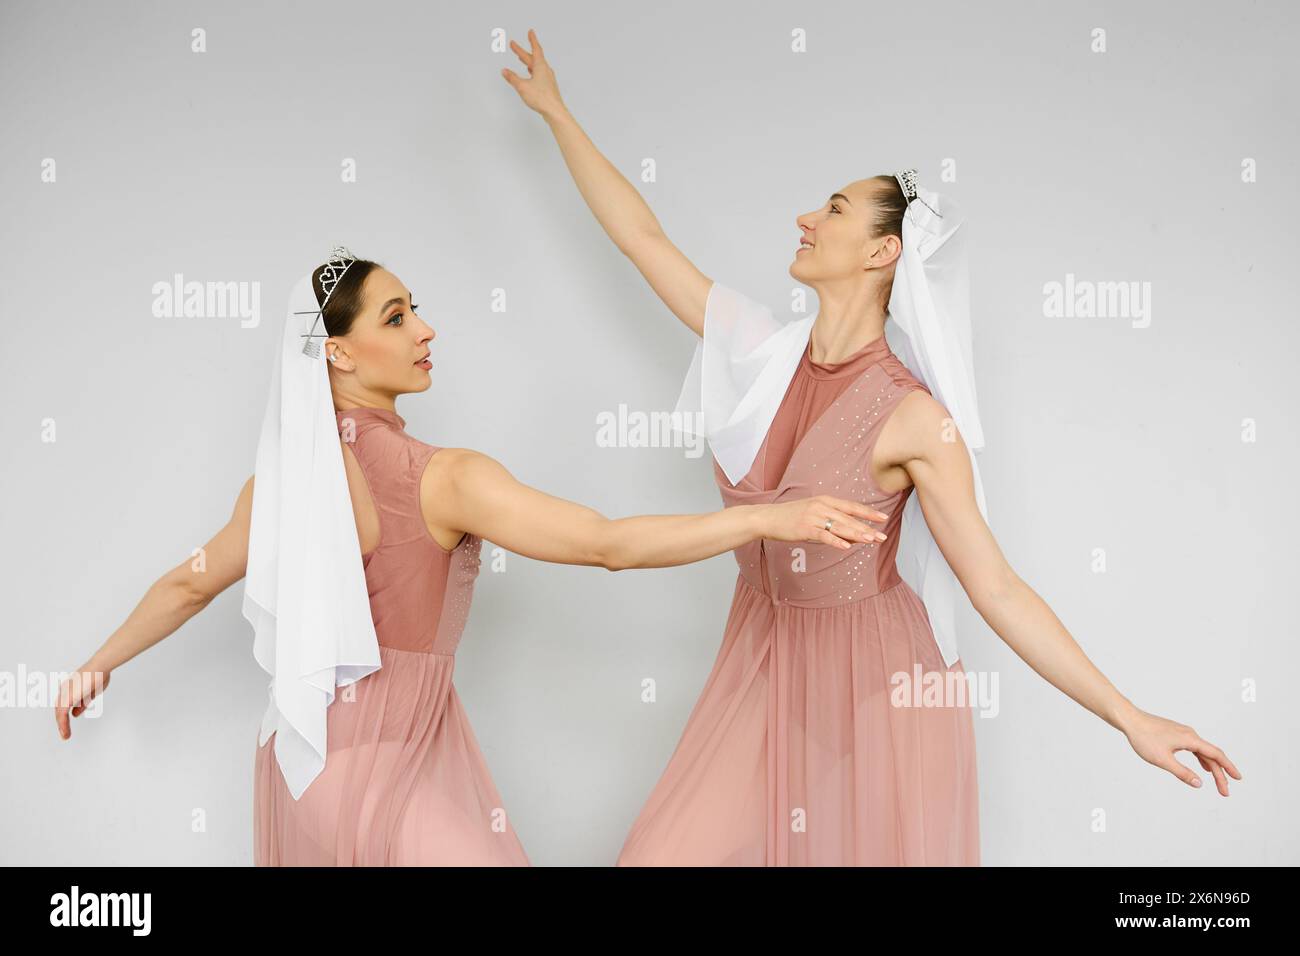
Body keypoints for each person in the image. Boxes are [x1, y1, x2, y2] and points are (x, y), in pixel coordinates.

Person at [501, 28, 1242, 865]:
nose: (806, 219)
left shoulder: (913, 418)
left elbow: (995, 586)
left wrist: (1130, 716)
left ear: (883, 253)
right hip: (761, 650)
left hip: (875, 682)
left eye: (834, 212)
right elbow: (644, 239)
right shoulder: (757, 350)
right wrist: (559, 114)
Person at [53, 248, 884, 866]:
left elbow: (187, 584)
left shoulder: (280, 482)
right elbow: (607, 545)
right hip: (381, 764)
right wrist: (766, 520)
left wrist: (98, 663)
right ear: (336, 353)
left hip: (304, 765)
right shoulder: (442, 478)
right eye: (395, 317)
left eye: (415, 308)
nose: (425, 329)